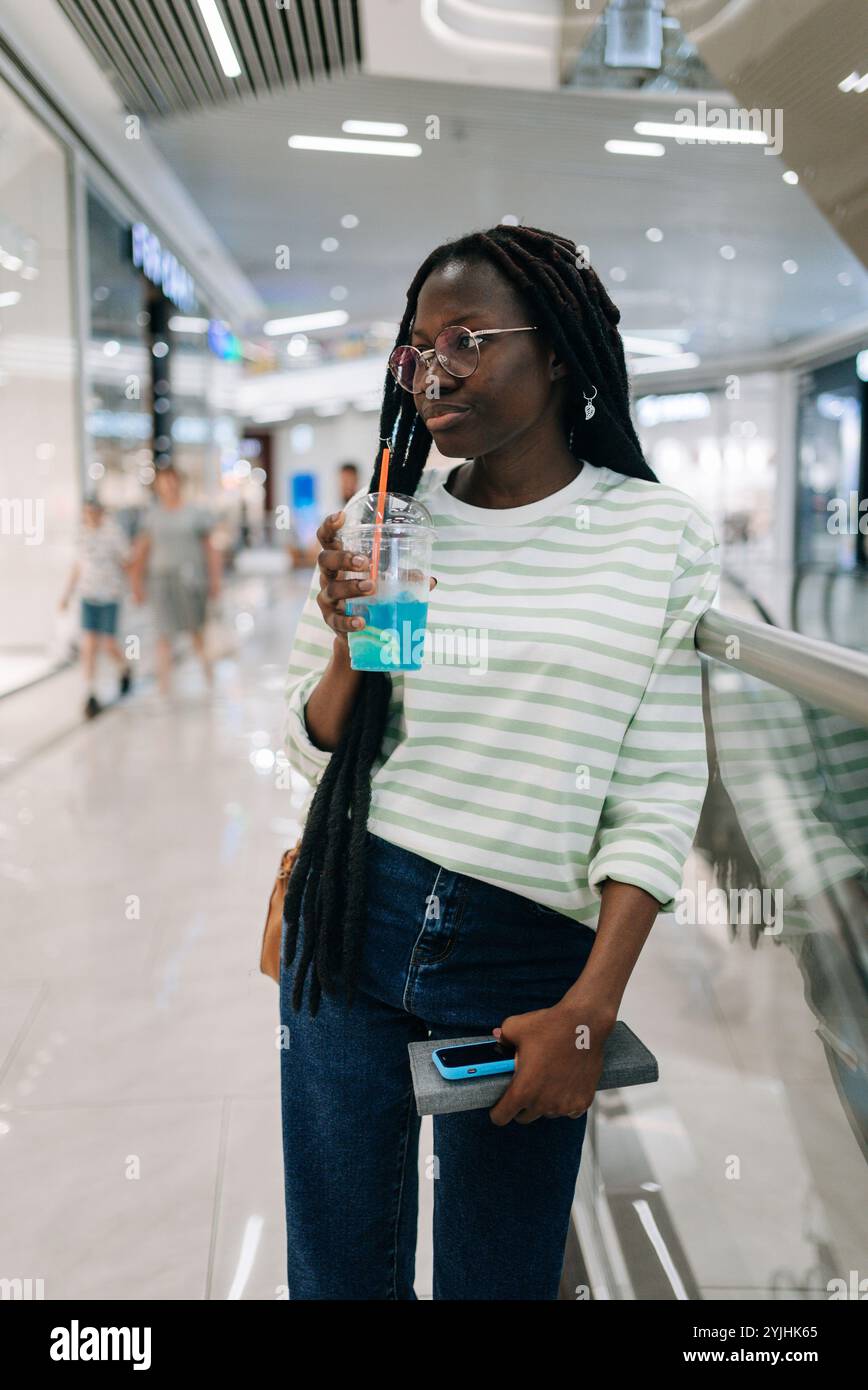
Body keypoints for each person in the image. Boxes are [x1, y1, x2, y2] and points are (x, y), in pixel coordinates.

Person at [279, 223, 721, 1301]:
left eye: (466, 340)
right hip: (352, 913)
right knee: (338, 1271)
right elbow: (321, 743)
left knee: (500, 1275)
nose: (434, 372)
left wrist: (591, 1006)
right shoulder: (384, 521)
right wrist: (345, 638)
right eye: (416, 350)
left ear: (558, 350)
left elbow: (658, 790)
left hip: (529, 946)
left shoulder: (653, 533)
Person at [130, 465, 222, 695]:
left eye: (172, 480)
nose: (169, 485)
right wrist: (136, 583)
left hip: (191, 580)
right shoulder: (152, 515)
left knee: (196, 631)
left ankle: (210, 680)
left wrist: (215, 580)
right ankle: (164, 689)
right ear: (158, 485)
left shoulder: (195, 512)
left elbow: (210, 548)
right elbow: (141, 551)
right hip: (161, 582)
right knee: (163, 635)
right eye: (164, 481)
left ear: (179, 482)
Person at [59, 496, 134, 719]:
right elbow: (78, 566)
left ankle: (124, 668)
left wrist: (133, 589)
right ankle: (90, 691)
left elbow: (127, 562)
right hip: (88, 596)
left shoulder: (113, 534)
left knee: (108, 643)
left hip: (110, 595)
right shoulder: (81, 535)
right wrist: (66, 595)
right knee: (89, 644)